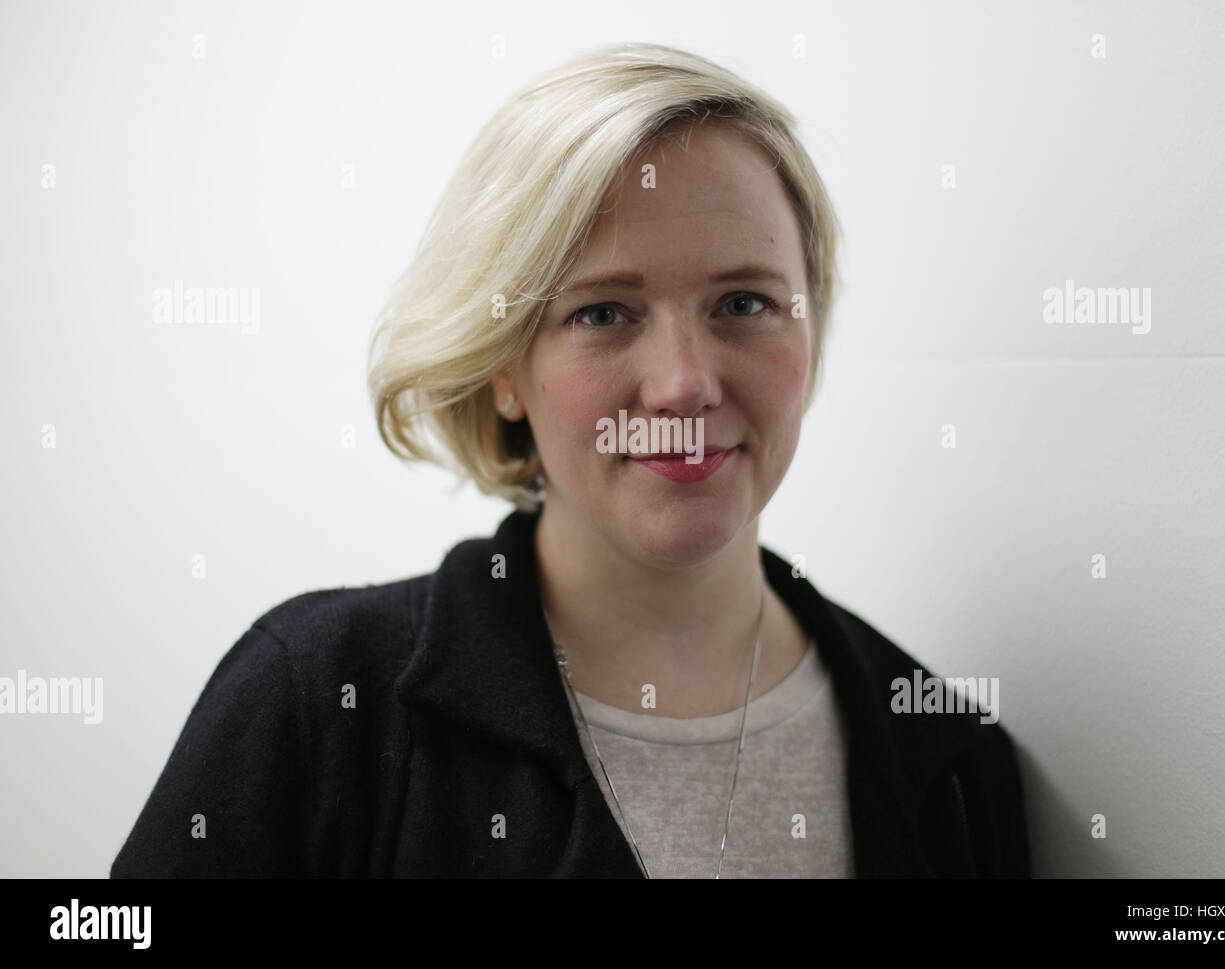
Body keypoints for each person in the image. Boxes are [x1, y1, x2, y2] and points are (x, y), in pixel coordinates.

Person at [110, 42, 1031, 878]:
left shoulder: (949, 758)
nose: (682, 385)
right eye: (602, 312)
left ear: (813, 329)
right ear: (504, 367)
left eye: (743, 302)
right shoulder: (316, 702)